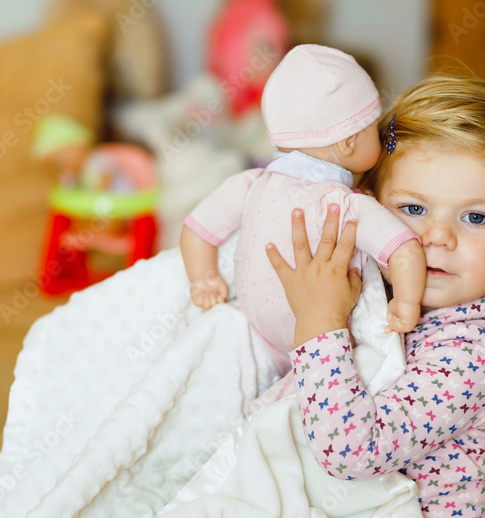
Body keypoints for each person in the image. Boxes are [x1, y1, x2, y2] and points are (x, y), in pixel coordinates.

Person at [265, 73, 485, 518]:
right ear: (368, 210)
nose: (437, 237)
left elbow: (353, 452)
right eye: (413, 208)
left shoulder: (477, 355)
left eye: (475, 217)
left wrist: (320, 322)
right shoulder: (379, 295)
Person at [180, 44, 426, 374]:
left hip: (256, 332)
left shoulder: (251, 184)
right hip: (322, 340)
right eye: (375, 129)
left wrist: (204, 279)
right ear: (348, 141)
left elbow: (197, 228)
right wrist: (406, 304)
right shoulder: (342, 204)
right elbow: (405, 249)